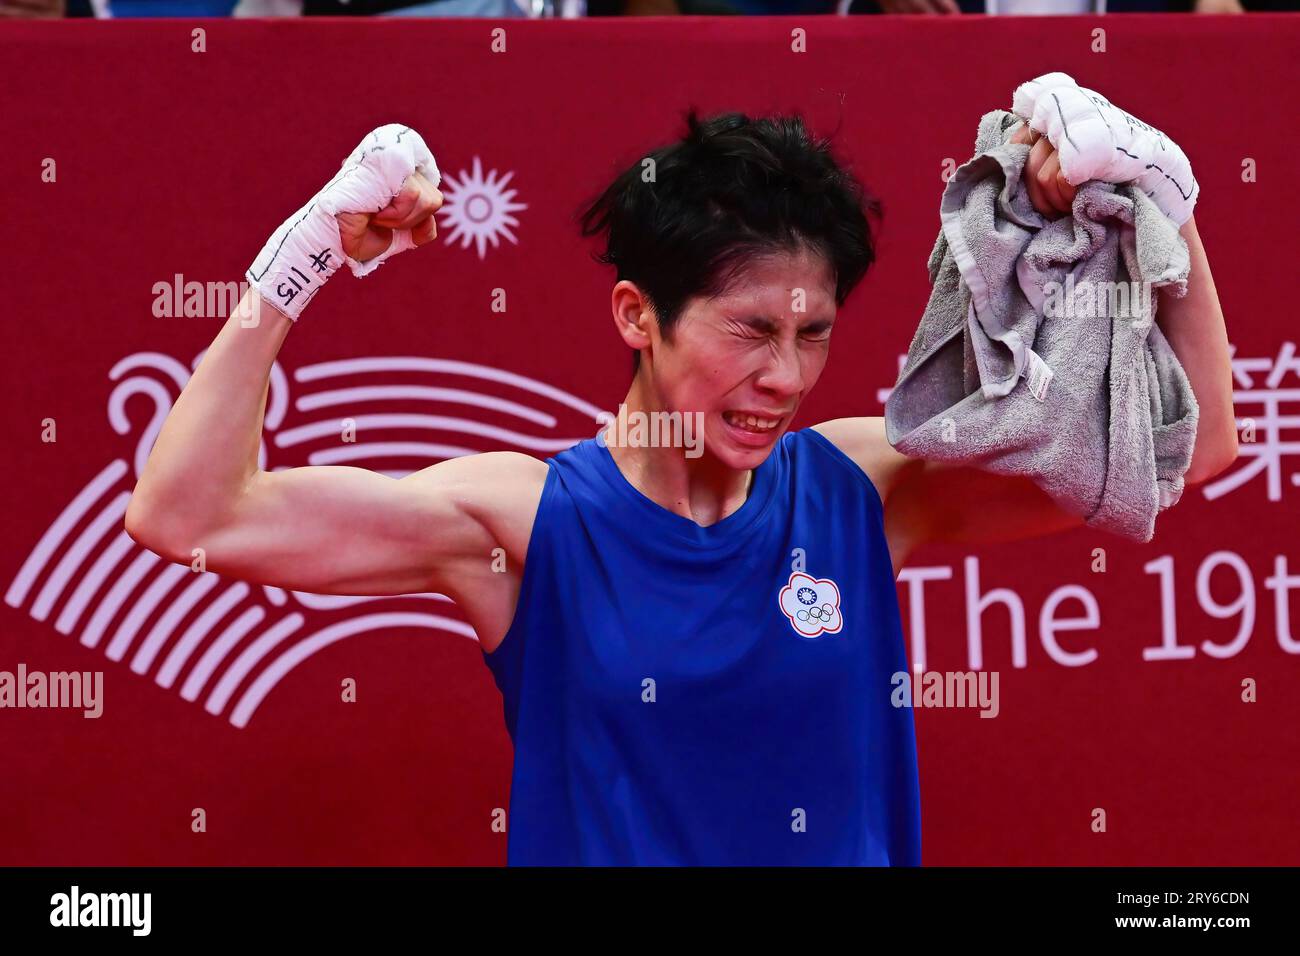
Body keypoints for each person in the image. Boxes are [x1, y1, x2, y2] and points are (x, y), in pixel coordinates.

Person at [125, 107, 1237, 865]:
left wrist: (1159, 196)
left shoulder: (859, 488)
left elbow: (1183, 453)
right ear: (634, 317)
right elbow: (188, 514)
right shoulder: (529, 523)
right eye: (750, 331)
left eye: (812, 335)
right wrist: (308, 250)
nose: (785, 378)